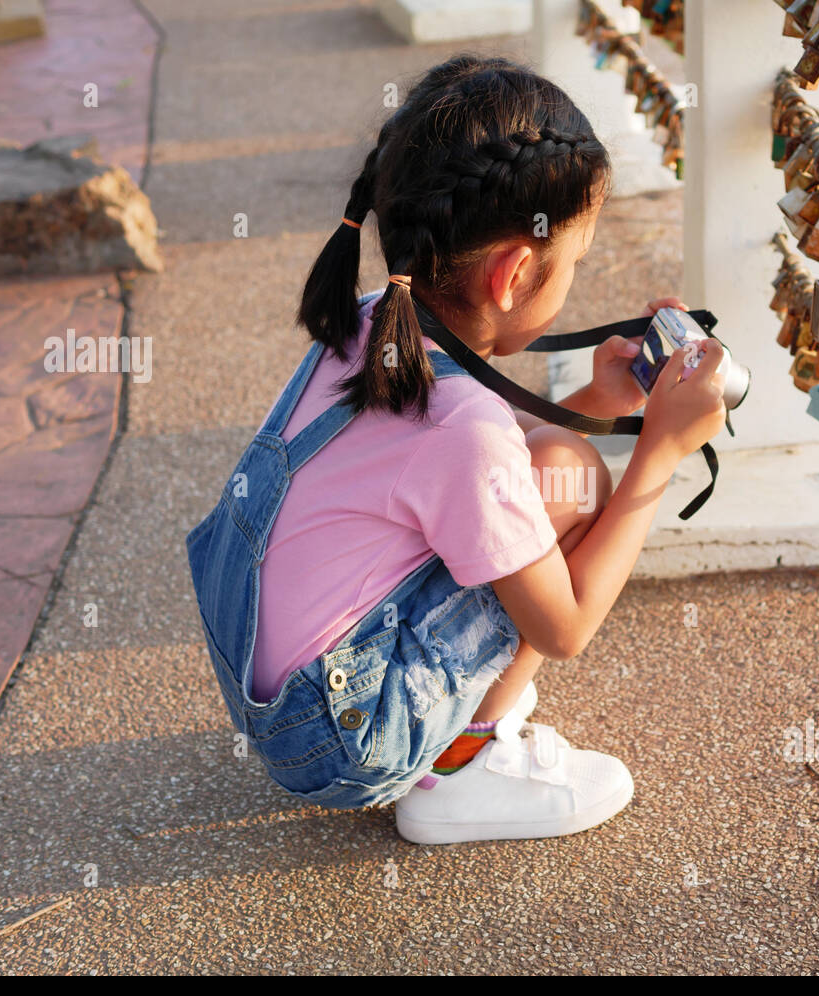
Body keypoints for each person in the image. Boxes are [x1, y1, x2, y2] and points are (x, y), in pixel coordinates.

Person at [186, 55, 726, 845]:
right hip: (344, 741)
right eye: (574, 262)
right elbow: (563, 631)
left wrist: (601, 403)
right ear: (513, 276)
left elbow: (464, 466)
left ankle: (451, 727)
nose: (577, 275)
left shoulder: (375, 317)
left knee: (548, 453)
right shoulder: (463, 429)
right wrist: (660, 454)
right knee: (574, 478)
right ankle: (460, 770)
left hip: (264, 681)